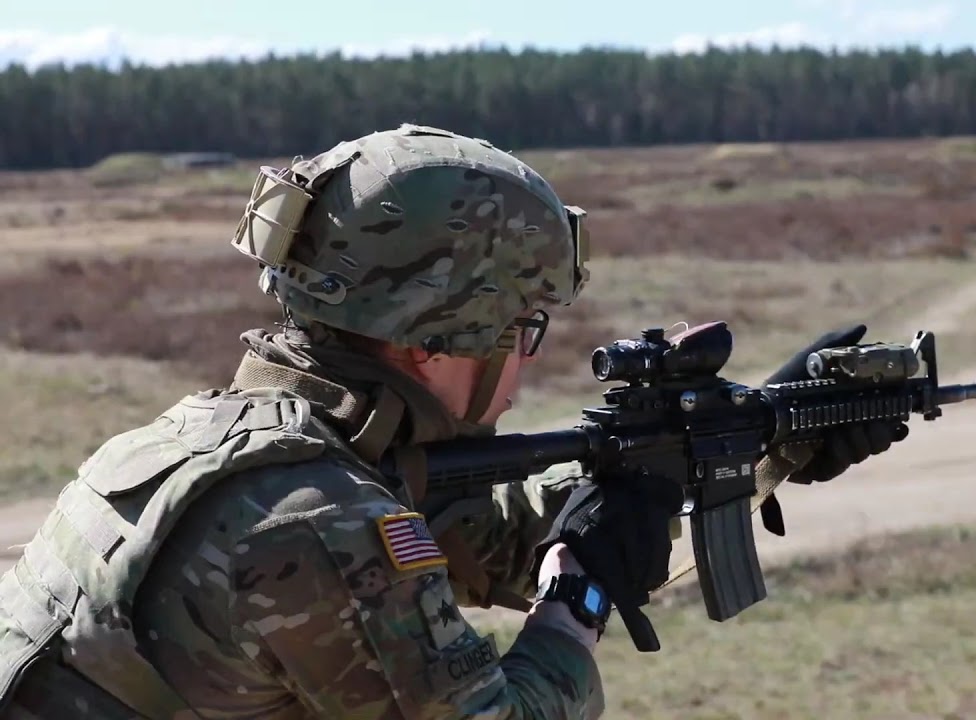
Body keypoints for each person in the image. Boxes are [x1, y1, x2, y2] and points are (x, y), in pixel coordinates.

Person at [0, 124, 907, 719]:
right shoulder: (318, 522)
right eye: (525, 330)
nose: (529, 359)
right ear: (438, 339)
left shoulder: (222, 443)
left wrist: (757, 447)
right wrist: (580, 600)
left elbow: (501, 540)